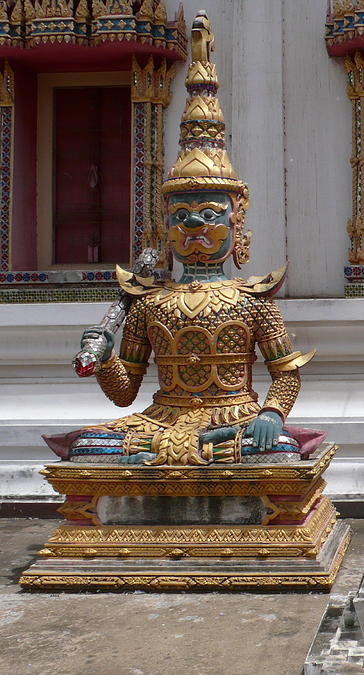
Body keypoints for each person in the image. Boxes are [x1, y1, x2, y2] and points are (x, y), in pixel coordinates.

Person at [47, 12, 318, 465]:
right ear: (167, 224)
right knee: (89, 446)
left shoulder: (253, 301)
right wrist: (106, 357)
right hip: (161, 420)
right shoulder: (149, 302)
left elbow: (285, 375)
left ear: (236, 223)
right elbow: (124, 394)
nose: (194, 226)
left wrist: (272, 411)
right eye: (182, 215)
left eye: (210, 214)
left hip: (235, 421)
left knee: (277, 447)